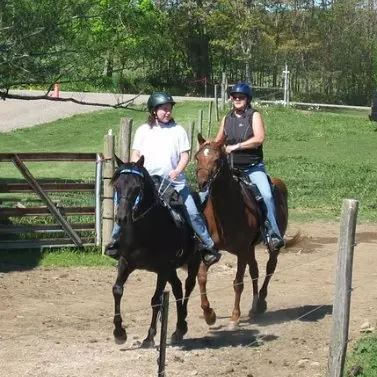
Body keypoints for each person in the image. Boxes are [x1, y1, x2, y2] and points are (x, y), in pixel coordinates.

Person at [105, 91, 221, 267]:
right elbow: (136, 153)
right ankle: (115, 243)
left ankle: (208, 246)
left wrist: (177, 170)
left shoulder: (178, 131)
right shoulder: (144, 130)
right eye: (163, 109)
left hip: (173, 183)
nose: (167, 112)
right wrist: (136, 169)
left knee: (192, 212)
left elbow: (184, 156)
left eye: (169, 109)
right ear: (153, 111)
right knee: (123, 203)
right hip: (148, 181)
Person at [214, 83, 285, 251]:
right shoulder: (227, 119)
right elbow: (218, 142)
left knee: (267, 195)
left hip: (252, 167)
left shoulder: (254, 115)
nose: (238, 100)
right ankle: (204, 234)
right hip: (231, 168)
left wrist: (237, 147)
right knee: (206, 193)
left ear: (248, 99)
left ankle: (272, 234)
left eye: (241, 97)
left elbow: (259, 138)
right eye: (235, 97)